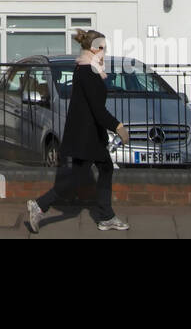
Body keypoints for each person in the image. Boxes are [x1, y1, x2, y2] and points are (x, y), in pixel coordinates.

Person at [27, 29, 130, 233]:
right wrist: (118, 126)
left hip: (90, 134)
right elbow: (97, 109)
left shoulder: (85, 68)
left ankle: (106, 216)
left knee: (104, 168)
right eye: (103, 48)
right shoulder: (88, 72)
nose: (105, 52)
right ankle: (40, 205)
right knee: (78, 176)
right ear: (94, 49)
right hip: (87, 136)